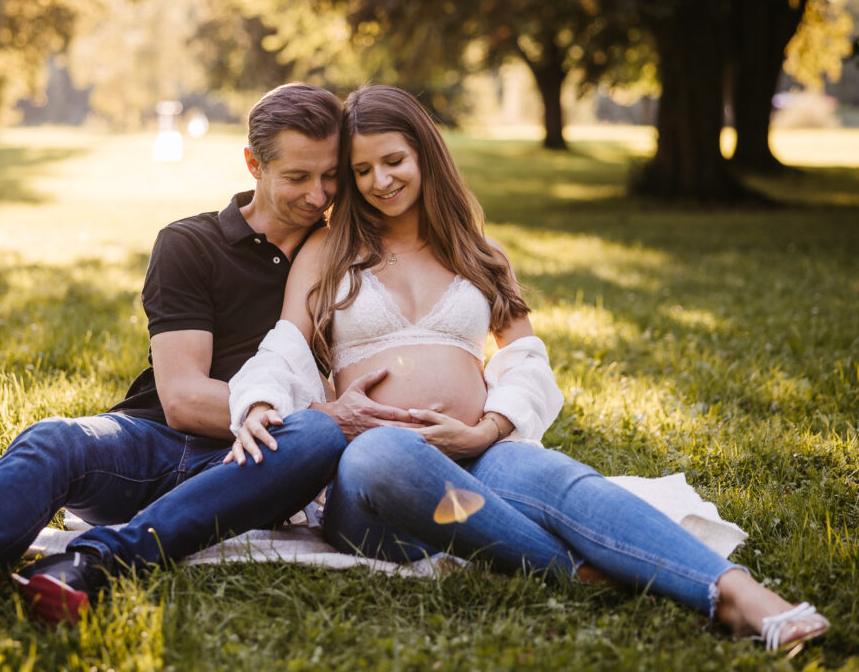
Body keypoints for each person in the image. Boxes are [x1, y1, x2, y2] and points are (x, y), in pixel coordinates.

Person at [229, 85, 830, 653]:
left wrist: (487, 429)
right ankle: (580, 572)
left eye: (393, 161)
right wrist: (259, 402)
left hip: (477, 456)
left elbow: (524, 360)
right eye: (361, 171)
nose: (380, 181)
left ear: (425, 155)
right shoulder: (328, 250)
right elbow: (286, 346)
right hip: (374, 493)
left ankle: (744, 595)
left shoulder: (478, 253)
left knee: (560, 479)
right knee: (385, 452)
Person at [0, 83, 413, 636]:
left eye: (331, 176)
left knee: (314, 437)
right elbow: (185, 400)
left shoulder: (347, 256)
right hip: (155, 441)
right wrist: (319, 413)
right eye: (297, 177)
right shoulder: (191, 244)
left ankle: (95, 564)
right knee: (54, 439)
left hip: (259, 463)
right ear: (253, 165)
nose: (318, 196)